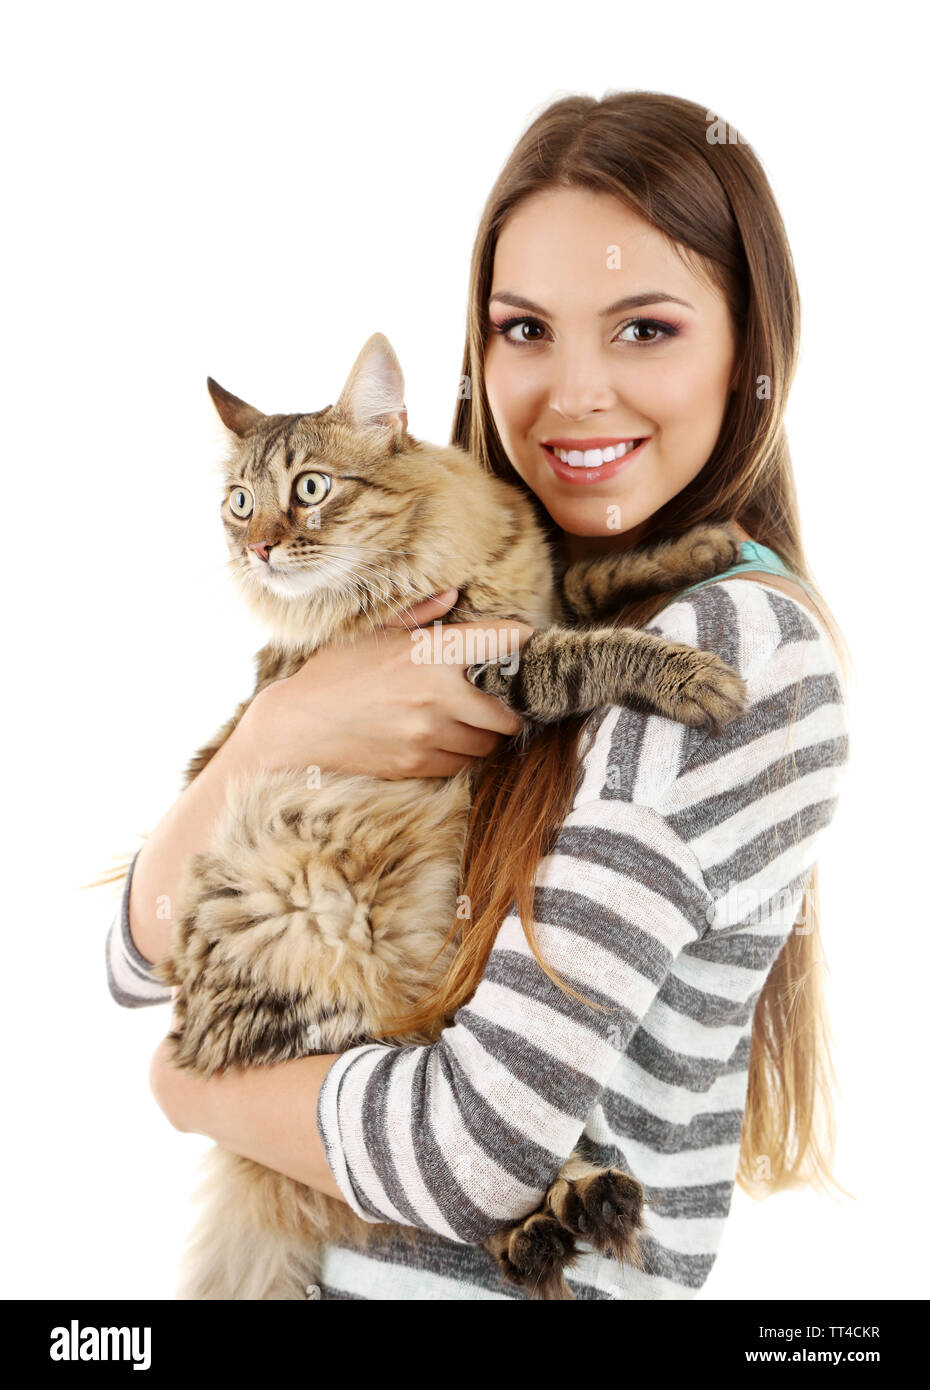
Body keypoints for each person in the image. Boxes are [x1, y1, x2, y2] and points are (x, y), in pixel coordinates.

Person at [108, 90, 851, 1300]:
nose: (574, 393)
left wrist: (189, 1089)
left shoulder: (735, 637)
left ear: (750, 345)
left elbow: (476, 1151)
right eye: (523, 330)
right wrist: (279, 731)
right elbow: (138, 953)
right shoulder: (495, 584)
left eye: (644, 329)